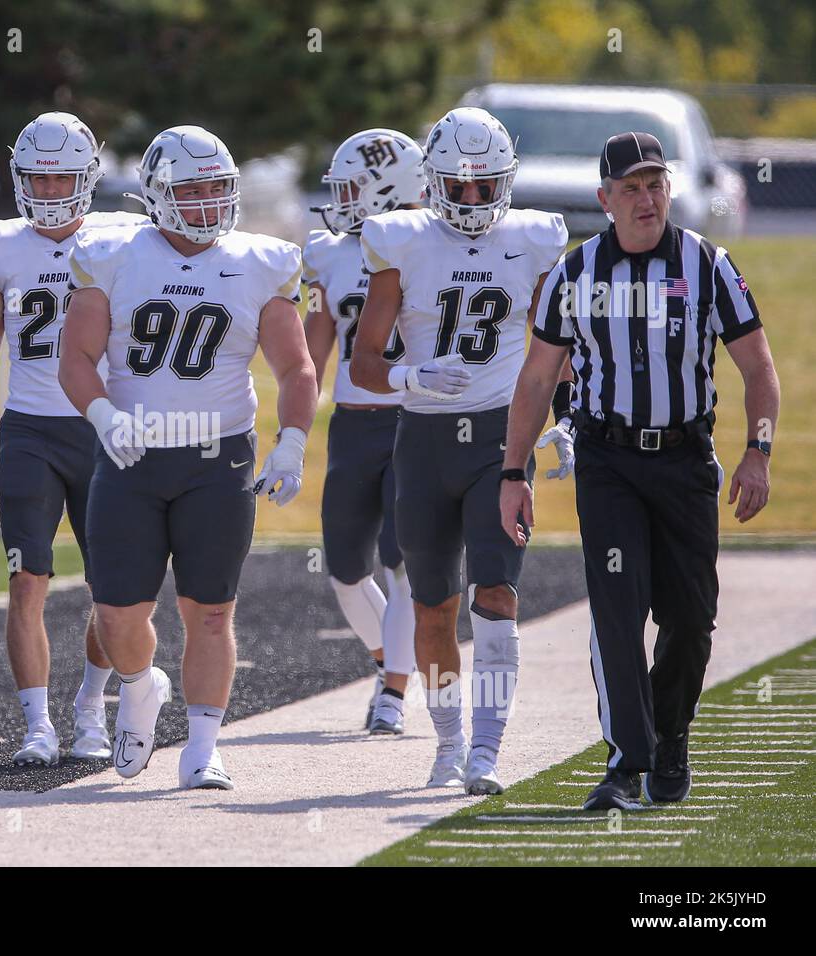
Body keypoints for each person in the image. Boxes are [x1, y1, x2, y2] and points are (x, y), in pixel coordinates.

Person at [501, 131, 781, 811]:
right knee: (619, 611)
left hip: (686, 460)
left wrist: (758, 450)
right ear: (604, 198)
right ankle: (627, 762)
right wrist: (513, 473)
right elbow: (538, 379)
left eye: (655, 184)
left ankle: (670, 734)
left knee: (691, 618)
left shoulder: (708, 264)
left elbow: (758, 367)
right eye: (630, 187)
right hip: (610, 461)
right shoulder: (573, 274)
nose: (646, 198)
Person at [59, 125, 318, 790]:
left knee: (209, 611)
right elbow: (77, 360)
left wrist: (291, 442)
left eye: (216, 188)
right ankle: (142, 686)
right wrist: (104, 415)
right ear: (156, 193)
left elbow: (297, 369)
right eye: (192, 189)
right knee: (117, 616)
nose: (207, 203)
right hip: (130, 455)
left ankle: (203, 746)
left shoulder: (262, 260)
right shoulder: (111, 252)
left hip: (217, 459)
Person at [350, 107, 568, 795]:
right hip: (424, 439)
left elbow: (554, 348)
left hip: (502, 440)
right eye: (459, 185)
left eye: (485, 185)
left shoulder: (535, 238)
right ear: (433, 181)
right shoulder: (401, 240)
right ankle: (447, 744)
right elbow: (361, 364)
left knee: (497, 591)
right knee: (433, 605)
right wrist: (409, 376)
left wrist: (565, 421)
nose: (472, 199)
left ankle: (486, 752)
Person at [0, 112, 146, 766]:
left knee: (111, 588)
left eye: (64, 173)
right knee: (25, 579)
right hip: (29, 431)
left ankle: (91, 705)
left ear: (88, 176)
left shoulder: (125, 238)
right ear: (18, 175)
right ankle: (37, 725)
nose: (52, 186)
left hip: (102, 427)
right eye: (39, 174)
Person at [303, 128, 425, 735]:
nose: (342, 199)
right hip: (354, 422)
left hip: (418, 418)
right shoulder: (330, 252)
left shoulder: (435, 242)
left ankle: (395, 695)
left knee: (404, 563)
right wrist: (291, 434)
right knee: (346, 571)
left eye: (353, 188)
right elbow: (310, 356)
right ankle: (390, 664)